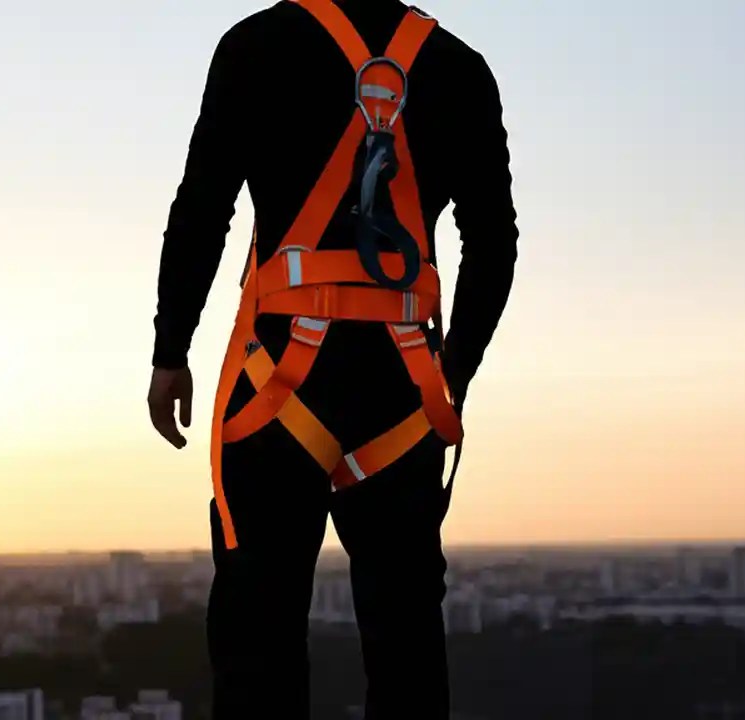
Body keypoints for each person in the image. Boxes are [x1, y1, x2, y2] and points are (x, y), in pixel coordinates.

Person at [147, 0, 517, 717]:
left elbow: (202, 208)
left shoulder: (256, 45)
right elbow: (494, 241)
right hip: (404, 393)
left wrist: (171, 348)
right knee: (406, 641)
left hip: (277, 385)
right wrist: (453, 376)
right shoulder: (458, 68)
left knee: (259, 643)